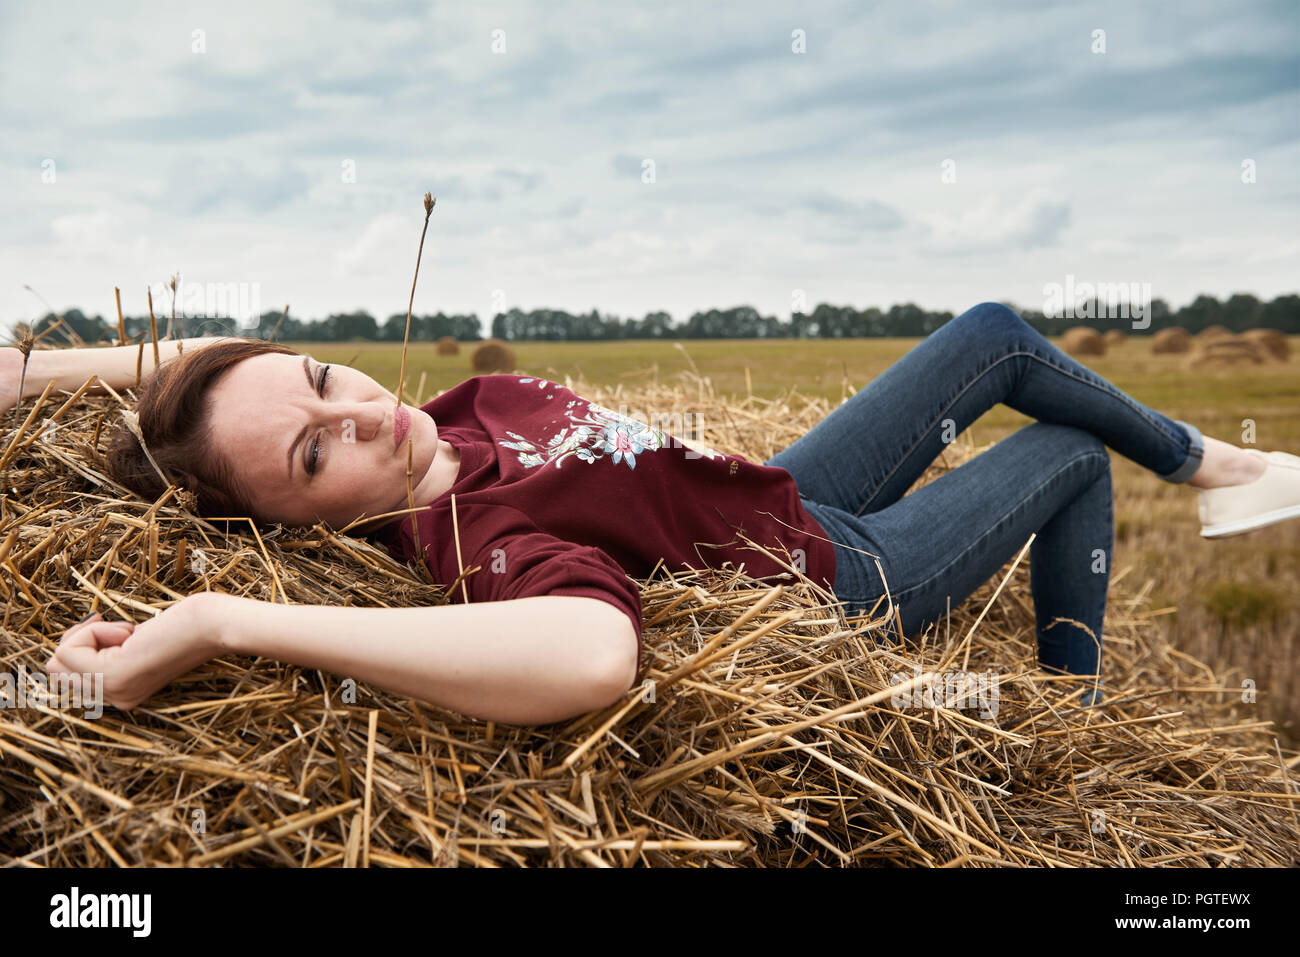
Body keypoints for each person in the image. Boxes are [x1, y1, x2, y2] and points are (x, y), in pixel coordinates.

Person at [3, 302, 1295, 722]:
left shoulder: (445, 412)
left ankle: (1211, 469)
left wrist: (28, 372)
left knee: (1000, 337)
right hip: (841, 570)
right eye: (316, 453)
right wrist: (226, 617)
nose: (362, 418)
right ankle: (1068, 709)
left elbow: (206, 356)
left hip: (781, 488)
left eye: (334, 384)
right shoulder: (477, 534)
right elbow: (588, 655)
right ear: (301, 526)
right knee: (1068, 444)